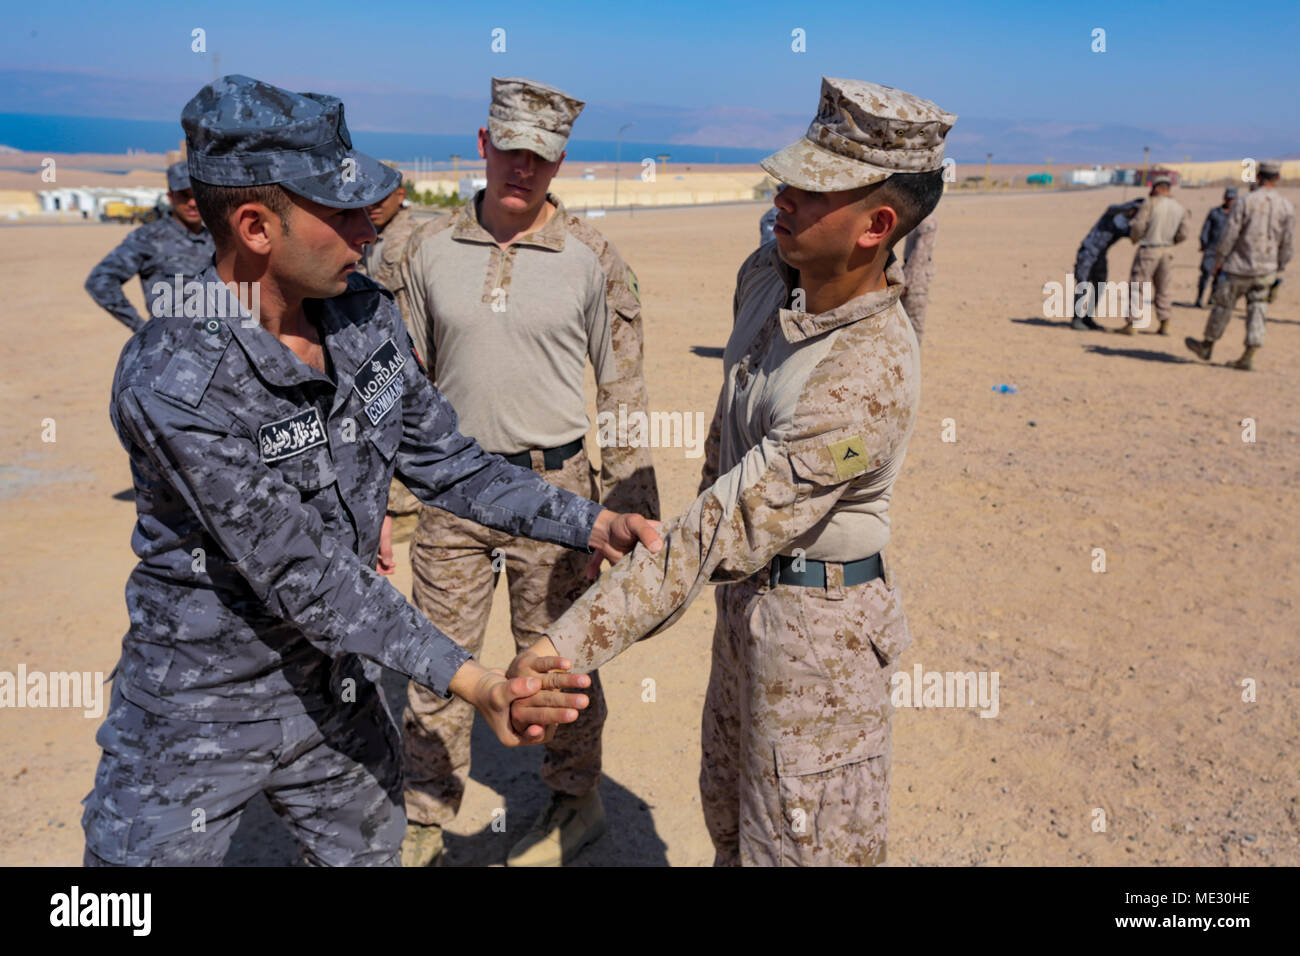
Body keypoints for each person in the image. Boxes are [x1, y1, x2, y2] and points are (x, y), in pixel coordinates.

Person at [79, 74, 660, 868]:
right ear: (255, 226)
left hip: (334, 689)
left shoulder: (361, 314)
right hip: (199, 705)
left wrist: (590, 520)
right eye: (342, 212)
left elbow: (449, 463)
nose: (369, 228)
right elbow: (309, 577)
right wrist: (477, 682)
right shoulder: (177, 378)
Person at [510, 77, 955, 867]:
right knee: (729, 822)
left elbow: (725, 526)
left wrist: (566, 644)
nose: (782, 195)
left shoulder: (867, 377)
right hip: (747, 611)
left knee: (793, 850)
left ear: (875, 225)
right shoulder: (773, 273)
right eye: (788, 177)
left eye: (812, 188)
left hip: (822, 642)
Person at [395, 76, 661, 868]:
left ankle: (575, 804)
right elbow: (402, 389)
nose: (524, 170)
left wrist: (630, 508)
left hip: (558, 496)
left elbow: (622, 389)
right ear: (484, 145)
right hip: (452, 494)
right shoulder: (426, 251)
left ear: (560, 160)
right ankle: (423, 821)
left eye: (541, 157)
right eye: (510, 152)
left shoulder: (592, 258)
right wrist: (388, 503)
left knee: (559, 662)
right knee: (434, 663)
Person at [357, 164, 425, 550]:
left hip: (409, 354)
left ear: (400, 195)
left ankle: (405, 515)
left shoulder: (410, 239)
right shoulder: (376, 237)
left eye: (384, 197)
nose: (375, 205)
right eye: (369, 197)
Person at [1186, 160, 1294, 370]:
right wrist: (1279, 267)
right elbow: (1287, 242)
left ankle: (1207, 345)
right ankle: (1248, 355)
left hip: (1238, 267)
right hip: (1266, 270)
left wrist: (1220, 260)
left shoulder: (1244, 202)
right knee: (1258, 310)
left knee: (1223, 306)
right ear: (1278, 178)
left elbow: (1229, 235)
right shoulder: (1286, 206)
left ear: (1257, 177)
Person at [85, 160, 214, 332]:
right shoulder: (149, 238)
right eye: (184, 195)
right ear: (170, 197)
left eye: (197, 195)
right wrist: (141, 328)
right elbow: (100, 281)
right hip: (172, 346)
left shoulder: (216, 238)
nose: (192, 203)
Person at [1117, 174, 1189, 335]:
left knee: (1138, 286)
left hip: (1149, 249)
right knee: (1164, 288)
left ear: (1156, 188)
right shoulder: (1179, 207)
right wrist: (1171, 242)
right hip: (1168, 252)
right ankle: (1165, 322)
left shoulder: (1150, 204)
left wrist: (1135, 238)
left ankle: (1133, 323)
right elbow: (1184, 233)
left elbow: (1138, 225)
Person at [1070, 197, 1143, 331]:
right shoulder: (1113, 214)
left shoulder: (1125, 225)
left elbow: (1134, 234)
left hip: (1100, 256)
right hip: (1088, 252)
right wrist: (1131, 206)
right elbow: (1111, 207)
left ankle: (1088, 317)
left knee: (1099, 287)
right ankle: (1077, 319)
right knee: (1083, 284)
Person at [900, 211, 939, 341]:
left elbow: (919, 256)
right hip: (910, 276)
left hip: (916, 282)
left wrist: (907, 282)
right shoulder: (918, 217)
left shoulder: (926, 220)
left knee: (913, 326)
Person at [1195, 187, 1237, 307]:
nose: (1230, 201)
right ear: (1224, 198)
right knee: (1206, 273)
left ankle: (1212, 298)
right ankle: (1199, 298)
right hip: (1212, 248)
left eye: (1232, 199)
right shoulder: (1215, 212)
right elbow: (1206, 229)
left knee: (1221, 277)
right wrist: (1203, 243)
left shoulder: (1237, 215)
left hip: (1228, 251)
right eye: (1228, 198)